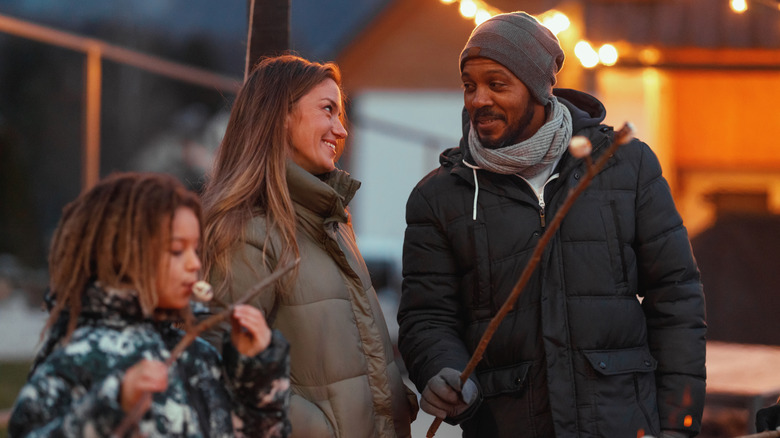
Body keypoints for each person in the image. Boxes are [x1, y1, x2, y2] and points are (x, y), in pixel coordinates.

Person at [397, 11, 706, 438]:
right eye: (470, 85)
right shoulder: (440, 197)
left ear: (540, 88)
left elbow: (676, 299)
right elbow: (427, 318)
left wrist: (678, 425)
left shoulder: (624, 165)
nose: (478, 99)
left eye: (497, 84)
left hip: (623, 424)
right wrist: (443, 370)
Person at [201, 54, 418, 438]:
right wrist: (320, 431)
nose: (342, 129)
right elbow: (224, 366)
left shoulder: (331, 221)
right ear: (280, 116)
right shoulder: (247, 232)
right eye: (327, 110)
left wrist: (387, 399)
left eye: (340, 114)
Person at [9, 172, 291, 437]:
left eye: (196, 250)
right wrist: (112, 406)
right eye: (177, 250)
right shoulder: (76, 359)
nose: (195, 264)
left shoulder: (198, 358)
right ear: (121, 254)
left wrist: (257, 381)